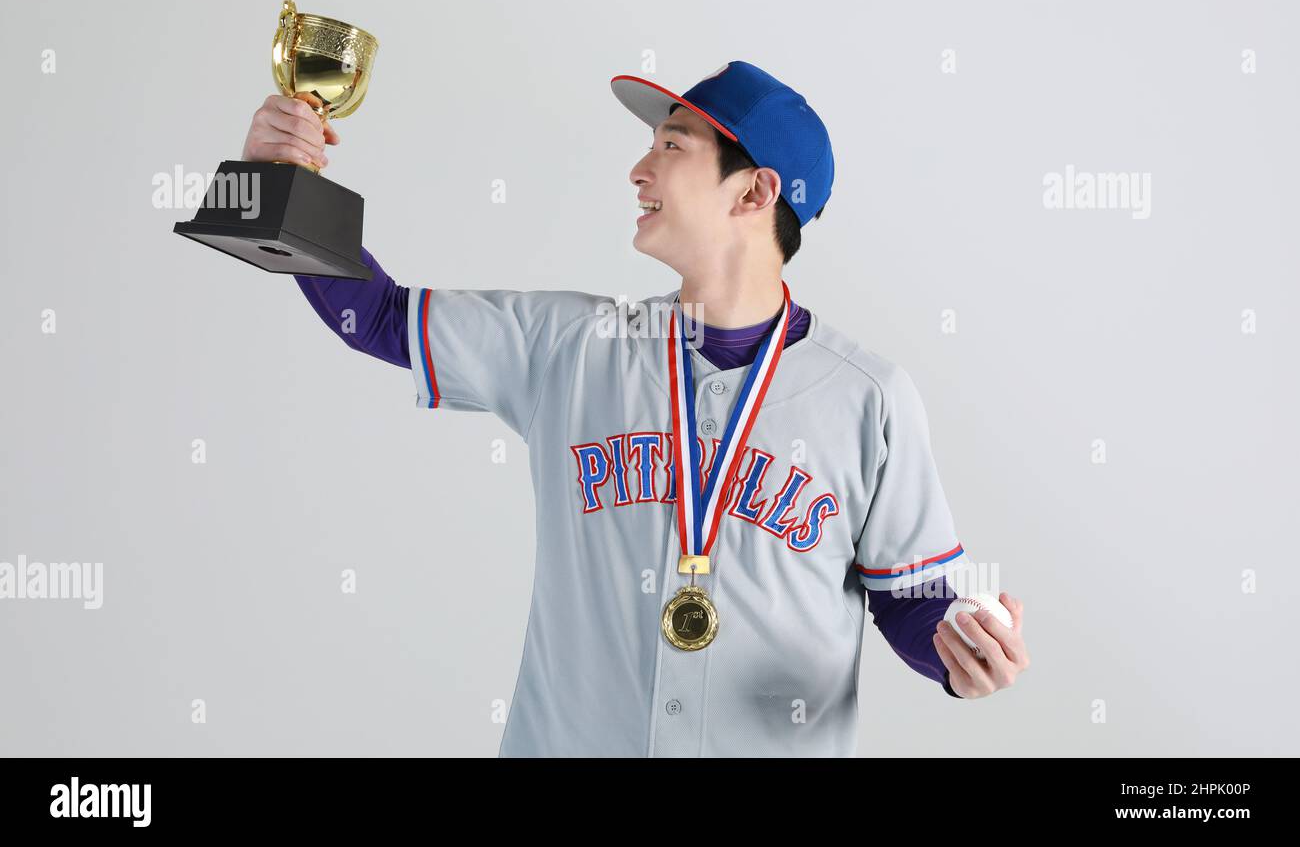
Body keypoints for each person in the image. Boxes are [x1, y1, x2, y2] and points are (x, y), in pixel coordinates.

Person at [241, 61, 1030, 757]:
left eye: (672, 146)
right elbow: (377, 318)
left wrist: (960, 656)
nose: (637, 169)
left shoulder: (868, 398)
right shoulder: (570, 344)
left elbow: (912, 599)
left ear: (754, 190)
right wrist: (280, 185)